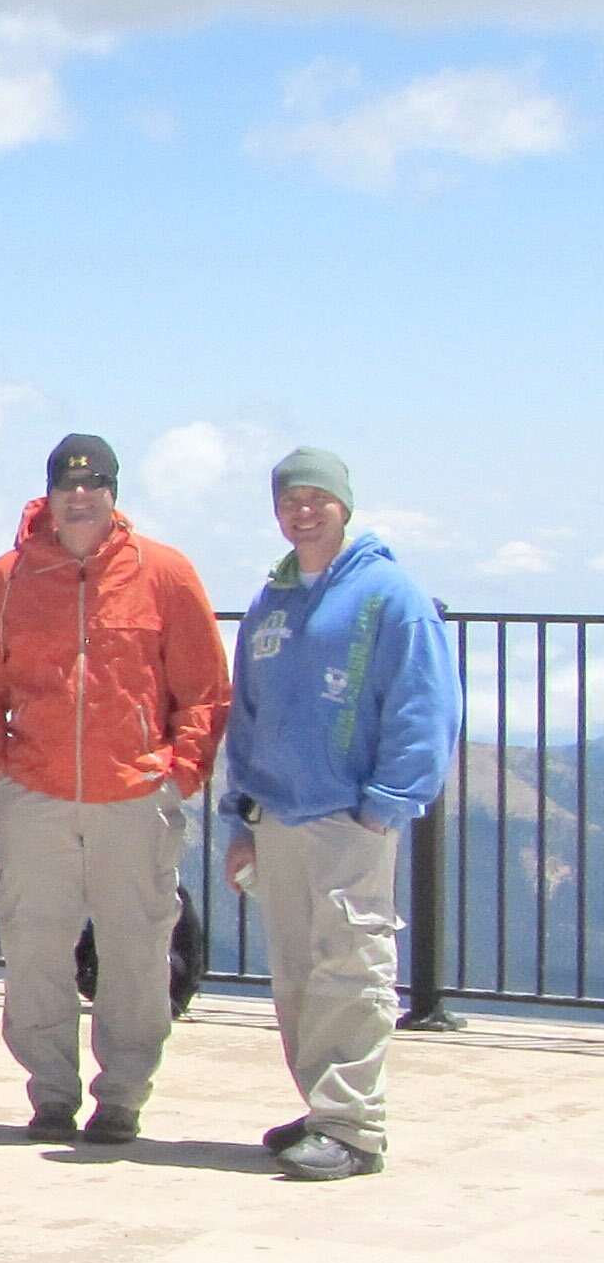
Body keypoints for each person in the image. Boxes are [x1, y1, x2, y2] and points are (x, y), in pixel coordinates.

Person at [0, 434, 231, 1148]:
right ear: (48, 493)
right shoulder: (5, 579)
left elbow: (203, 686)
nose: (80, 496)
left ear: (115, 491)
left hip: (135, 793)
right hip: (38, 791)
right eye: (67, 484)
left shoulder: (164, 574)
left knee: (137, 950)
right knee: (34, 948)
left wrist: (182, 768)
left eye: (96, 483)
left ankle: (123, 1096)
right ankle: (50, 1092)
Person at [225, 448, 457, 1183]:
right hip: (277, 815)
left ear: (345, 505)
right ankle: (326, 1102)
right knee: (296, 972)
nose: (303, 510)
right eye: (290, 498)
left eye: (317, 497)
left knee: (351, 968)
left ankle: (354, 1126)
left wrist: (387, 807)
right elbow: (248, 714)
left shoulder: (391, 595)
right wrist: (240, 818)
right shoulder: (274, 598)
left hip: (349, 816)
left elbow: (425, 705)